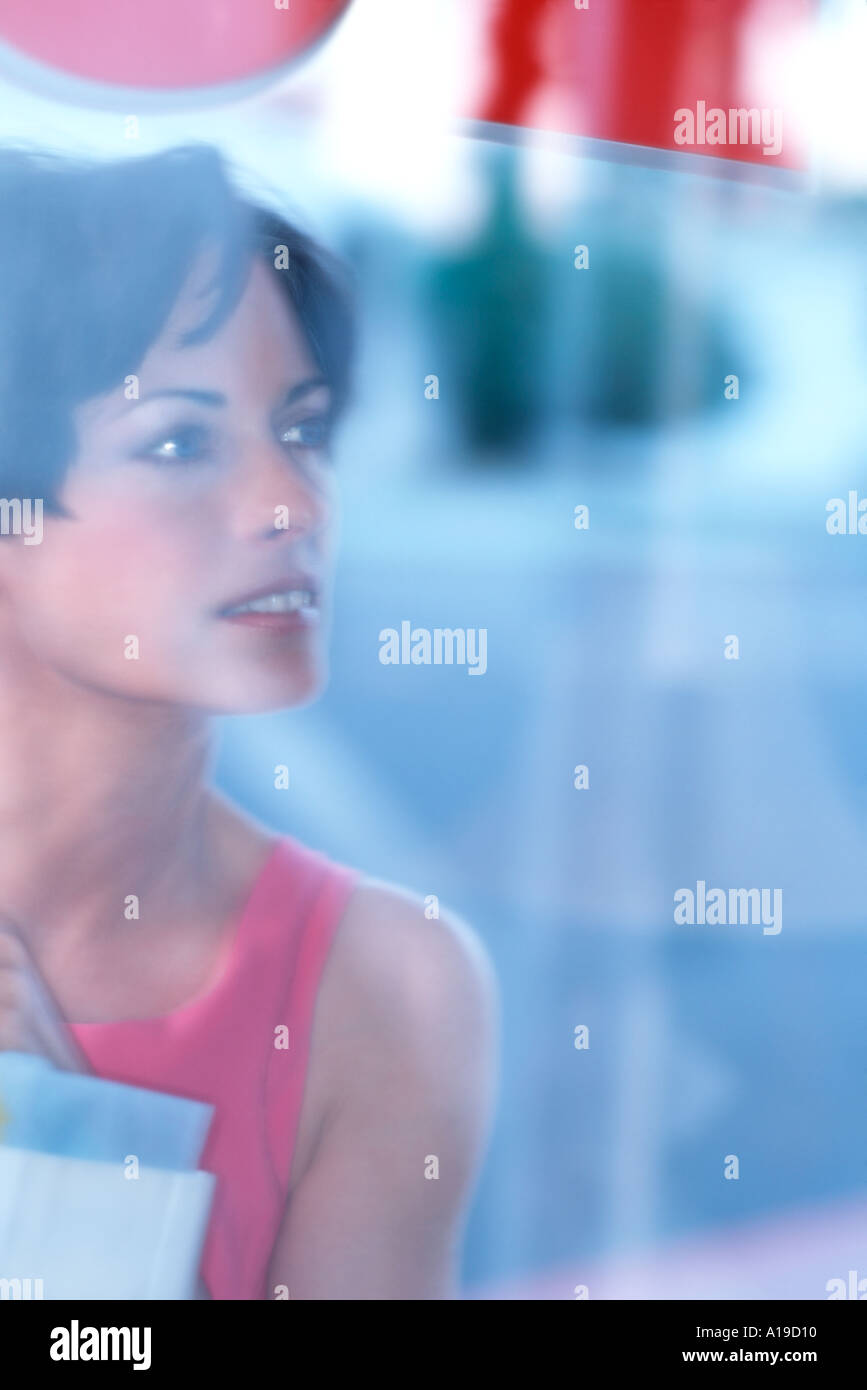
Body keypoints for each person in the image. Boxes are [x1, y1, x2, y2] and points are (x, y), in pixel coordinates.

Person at [0, 144, 498, 1300]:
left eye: (307, 429)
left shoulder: (384, 993)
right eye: (180, 442)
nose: (293, 504)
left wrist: (53, 1171)